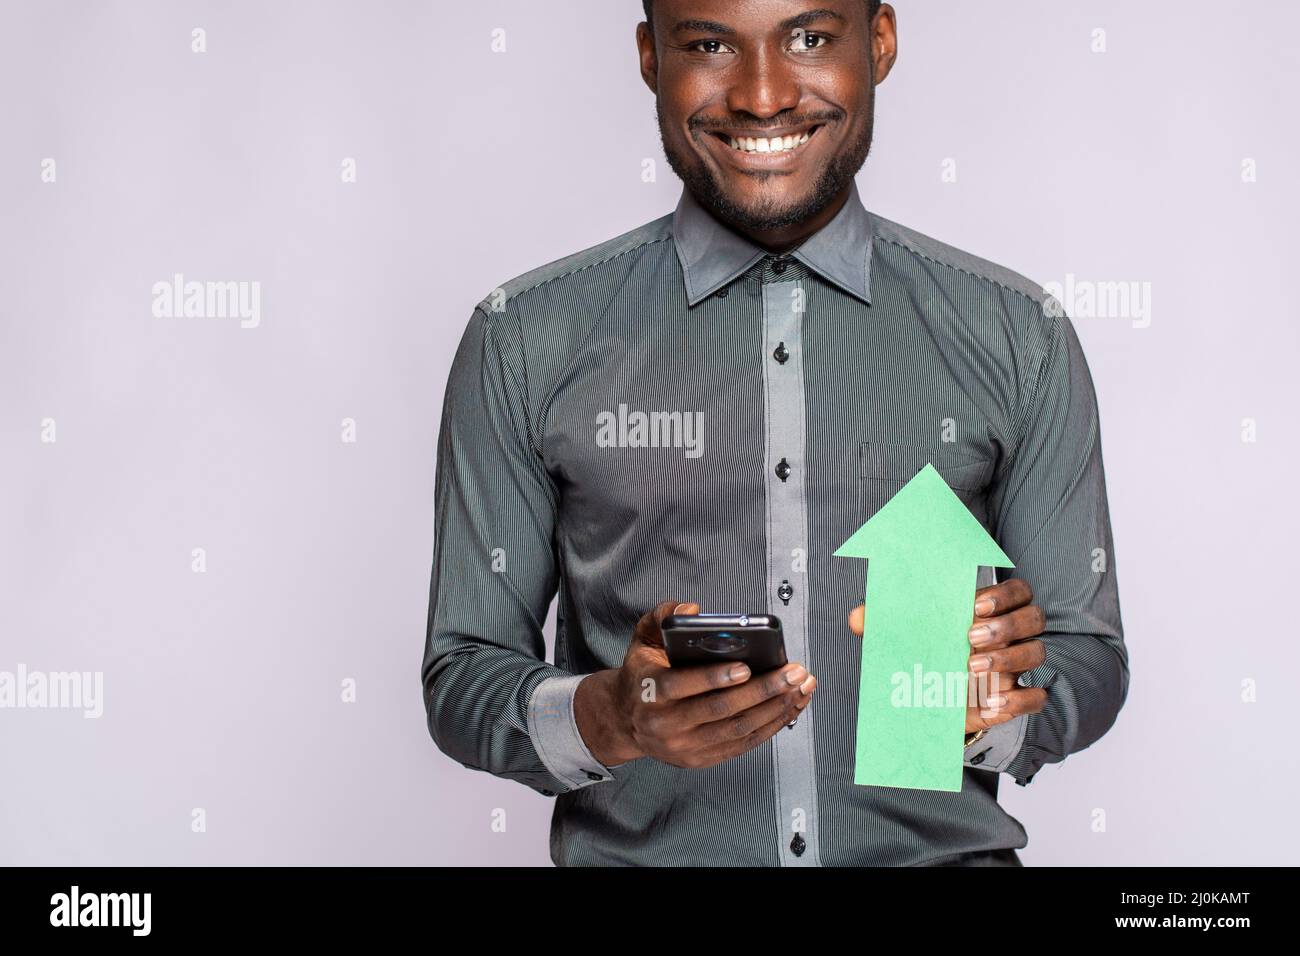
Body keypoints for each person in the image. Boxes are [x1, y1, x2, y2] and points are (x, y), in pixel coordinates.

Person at [422, 0, 1127, 866]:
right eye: (711, 44)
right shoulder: (522, 341)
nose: (761, 97)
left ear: (880, 42)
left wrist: (996, 707)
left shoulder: (1019, 336)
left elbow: (1088, 658)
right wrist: (613, 714)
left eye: (809, 38)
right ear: (650, 57)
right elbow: (462, 674)